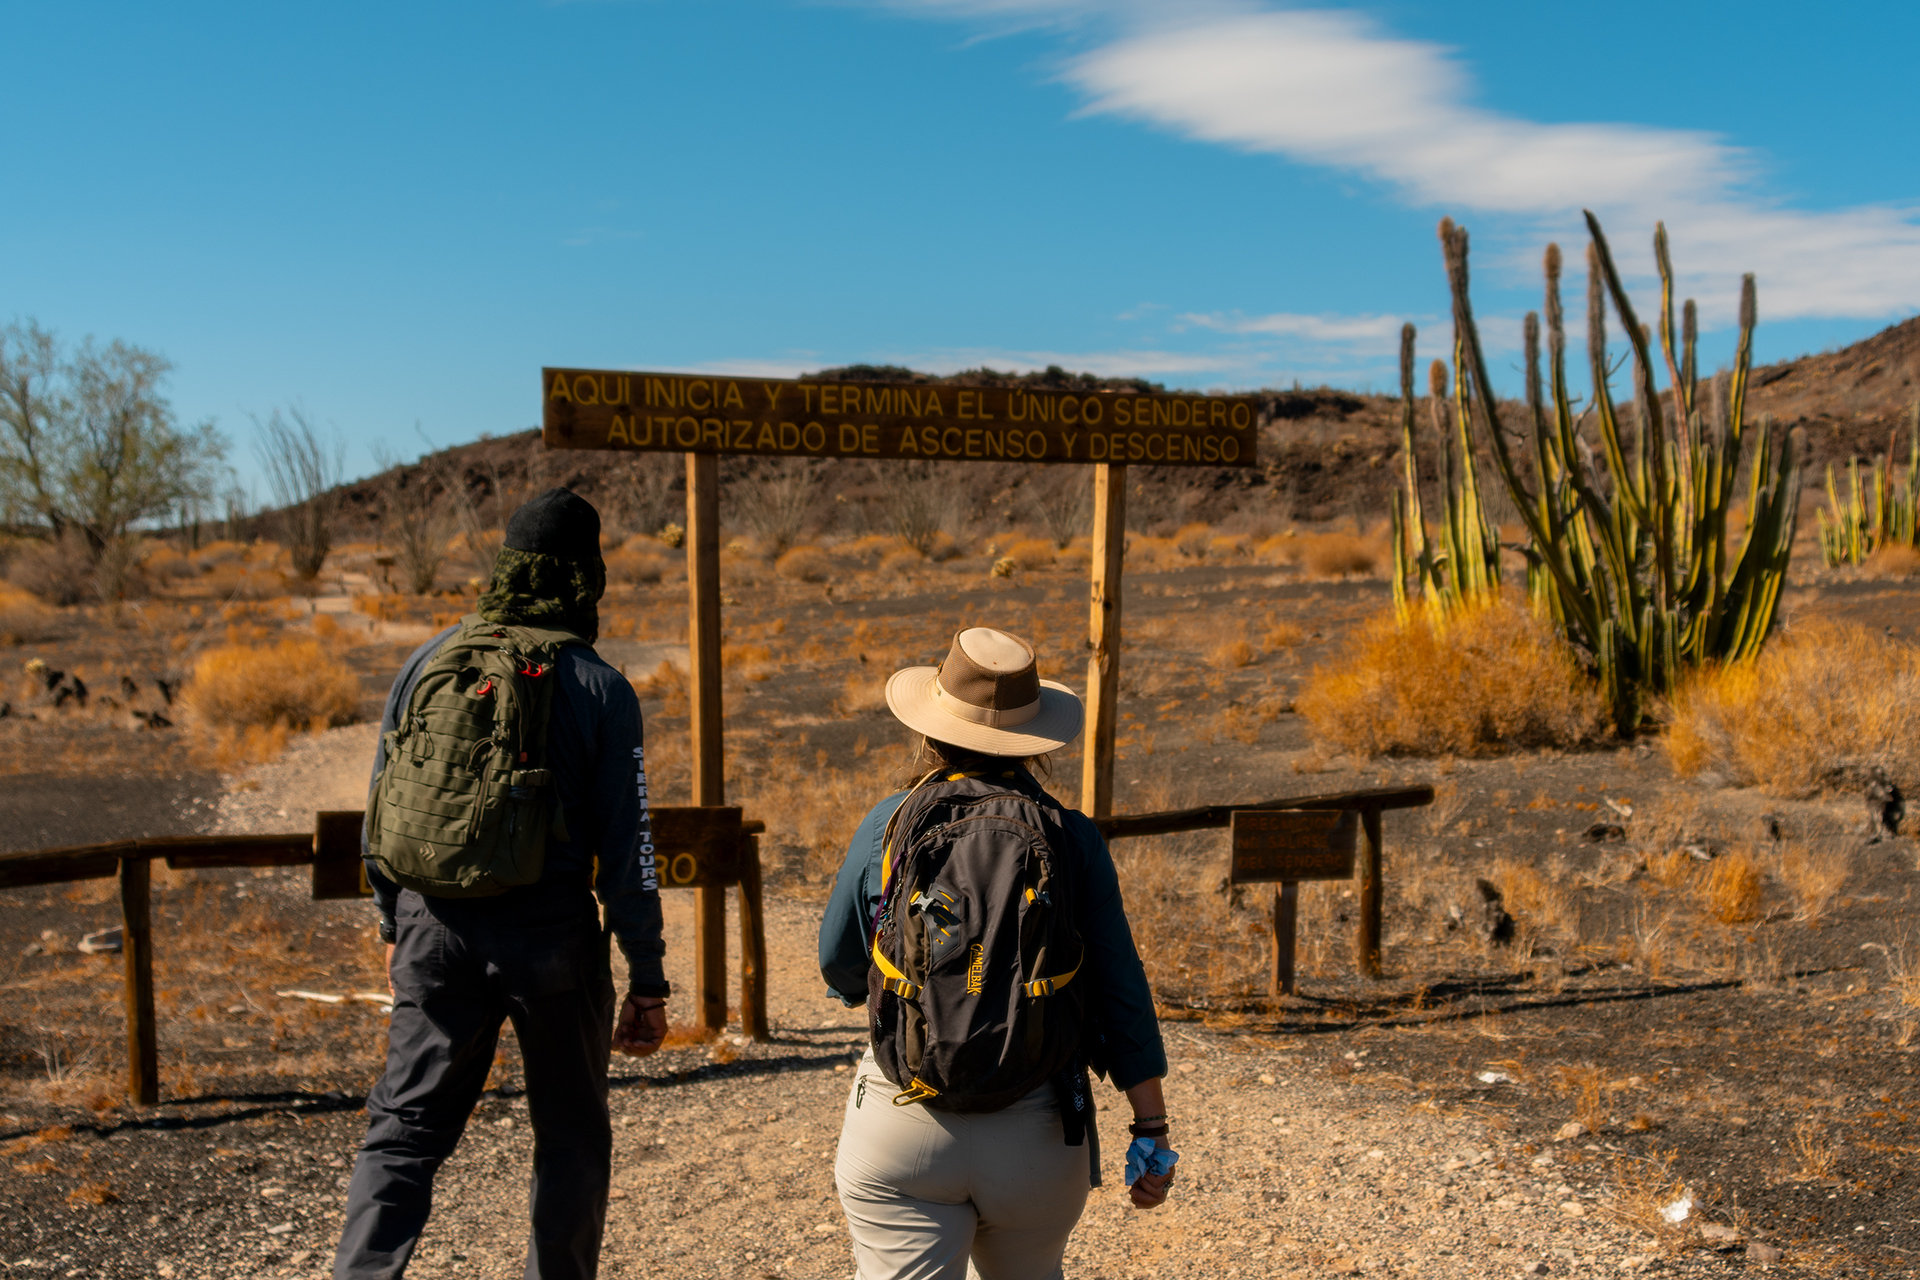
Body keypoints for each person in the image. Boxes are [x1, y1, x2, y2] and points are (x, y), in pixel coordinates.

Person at [334, 488, 669, 1280]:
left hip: (431, 927)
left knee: (405, 1132)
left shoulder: (428, 661)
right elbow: (629, 851)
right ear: (587, 577)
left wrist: (392, 923)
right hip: (549, 938)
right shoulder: (598, 687)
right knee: (571, 1139)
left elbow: (382, 804)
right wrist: (647, 978)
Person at [818, 626, 1175, 1280]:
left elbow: (838, 961)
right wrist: (1150, 1128)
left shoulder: (889, 824)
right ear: (1033, 744)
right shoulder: (1072, 839)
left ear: (929, 732)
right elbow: (1120, 989)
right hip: (1037, 1136)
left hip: (905, 1120)